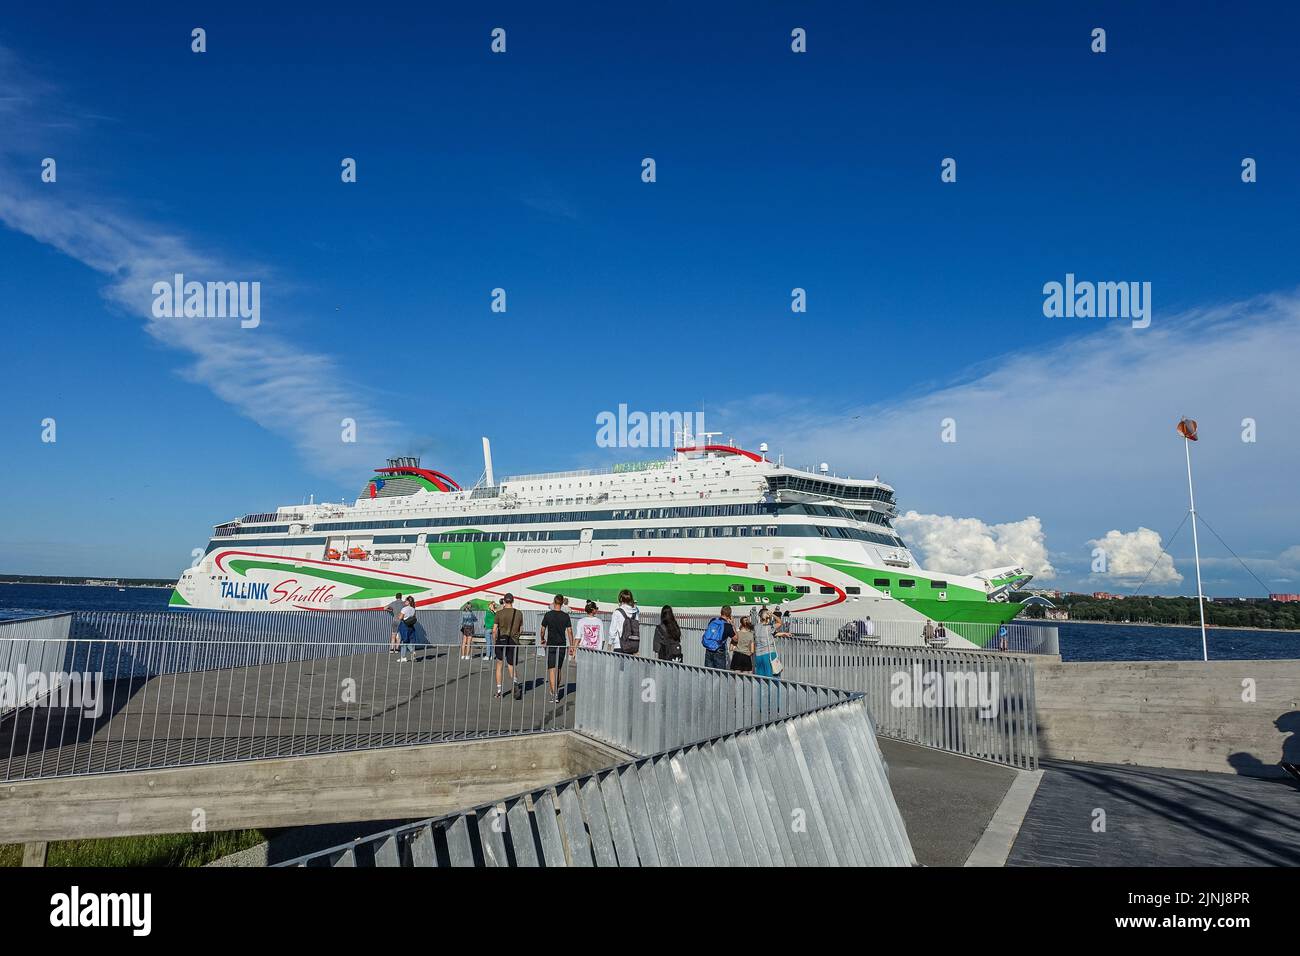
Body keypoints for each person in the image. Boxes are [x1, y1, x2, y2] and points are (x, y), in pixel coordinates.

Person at [540, 594, 575, 704]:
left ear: (554, 602)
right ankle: (557, 691)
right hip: (562, 644)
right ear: (562, 603)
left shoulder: (548, 615)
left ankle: (553, 693)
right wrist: (572, 645)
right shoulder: (565, 616)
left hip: (551, 644)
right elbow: (569, 631)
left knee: (551, 669)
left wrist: (542, 639)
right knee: (559, 668)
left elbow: (542, 629)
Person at [493, 593, 524, 699]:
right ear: (513, 601)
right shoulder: (519, 613)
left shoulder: (499, 613)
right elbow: (521, 629)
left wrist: (494, 641)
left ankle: (499, 691)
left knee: (499, 665)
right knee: (511, 665)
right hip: (513, 641)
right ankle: (515, 683)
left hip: (501, 640)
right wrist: (517, 636)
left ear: (504, 601)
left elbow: (494, 630)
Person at [753, 607, 783, 710]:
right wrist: (773, 615)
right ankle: (776, 706)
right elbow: (780, 622)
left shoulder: (756, 627)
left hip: (758, 656)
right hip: (769, 655)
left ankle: (762, 706)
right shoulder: (769, 627)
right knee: (774, 680)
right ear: (767, 616)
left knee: (762, 681)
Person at [607, 588, 640, 655]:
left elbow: (613, 631)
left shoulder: (617, 612)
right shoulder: (636, 611)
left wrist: (609, 644)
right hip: (632, 645)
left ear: (621, 599)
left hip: (619, 645)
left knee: (618, 665)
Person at [701, 605, 735, 670]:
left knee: (709, 673)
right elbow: (736, 639)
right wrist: (732, 624)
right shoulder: (727, 626)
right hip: (719, 651)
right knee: (720, 674)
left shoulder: (713, 620)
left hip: (708, 649)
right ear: (729, 615)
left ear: (721, 612)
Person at [398, 597, 418, 662]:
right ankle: (403, 657)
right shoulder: (413, 609)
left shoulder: (404, 609)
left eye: (406, 601)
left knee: (404, 640)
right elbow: (414, 617)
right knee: (408, 640)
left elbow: (400, 617)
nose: (405, 602)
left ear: (408, 602)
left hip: (404, 625)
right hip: (411, 626)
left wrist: (399, 616)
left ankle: (411, 652)